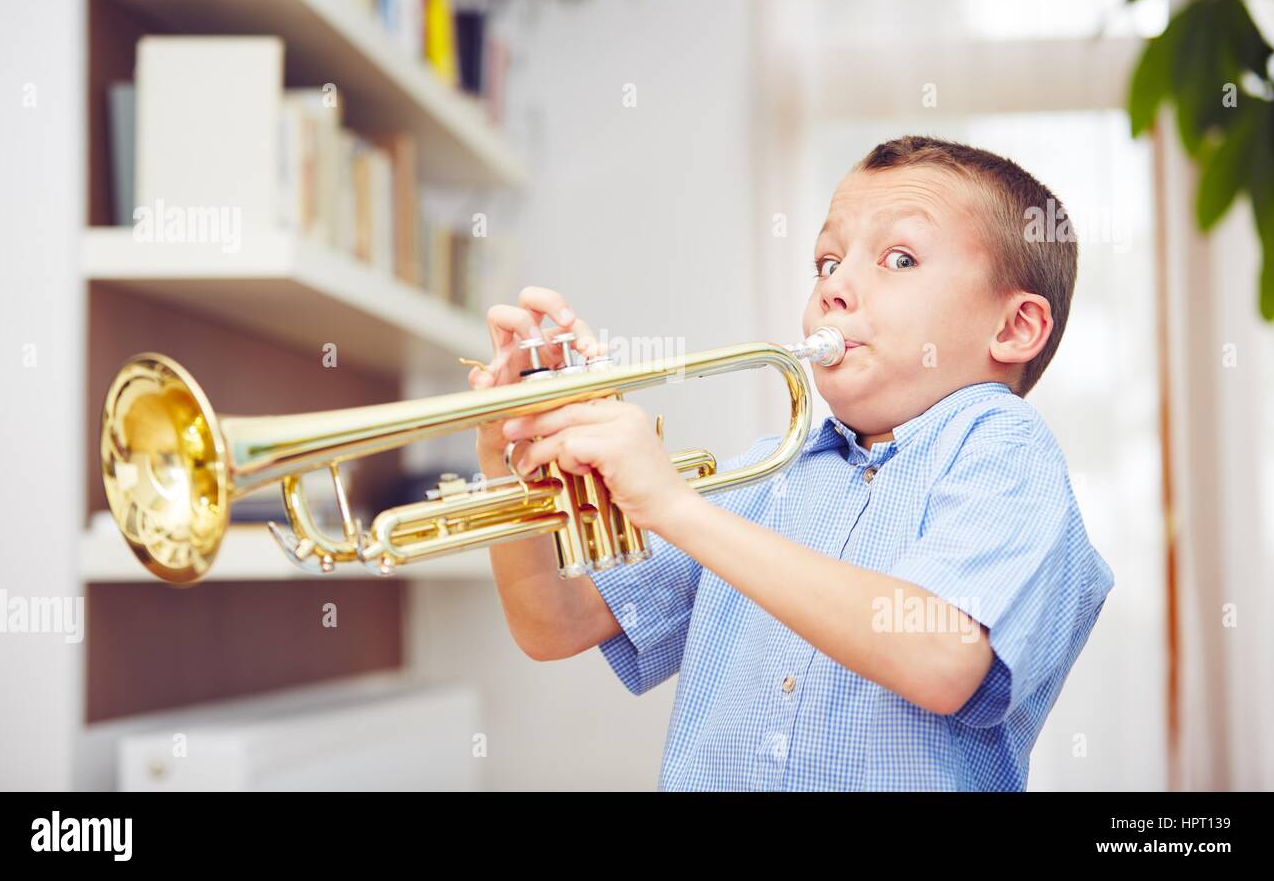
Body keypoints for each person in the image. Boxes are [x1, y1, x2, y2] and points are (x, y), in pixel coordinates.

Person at [467, 135, 1115, 791]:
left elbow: (943, 655)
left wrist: (672, 506)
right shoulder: (767, 473)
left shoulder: (1005, 451)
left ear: (1014, 329)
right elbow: (555, 625)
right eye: (826, 261)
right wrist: (511, 458)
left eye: (899, 258)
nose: (835, 287)